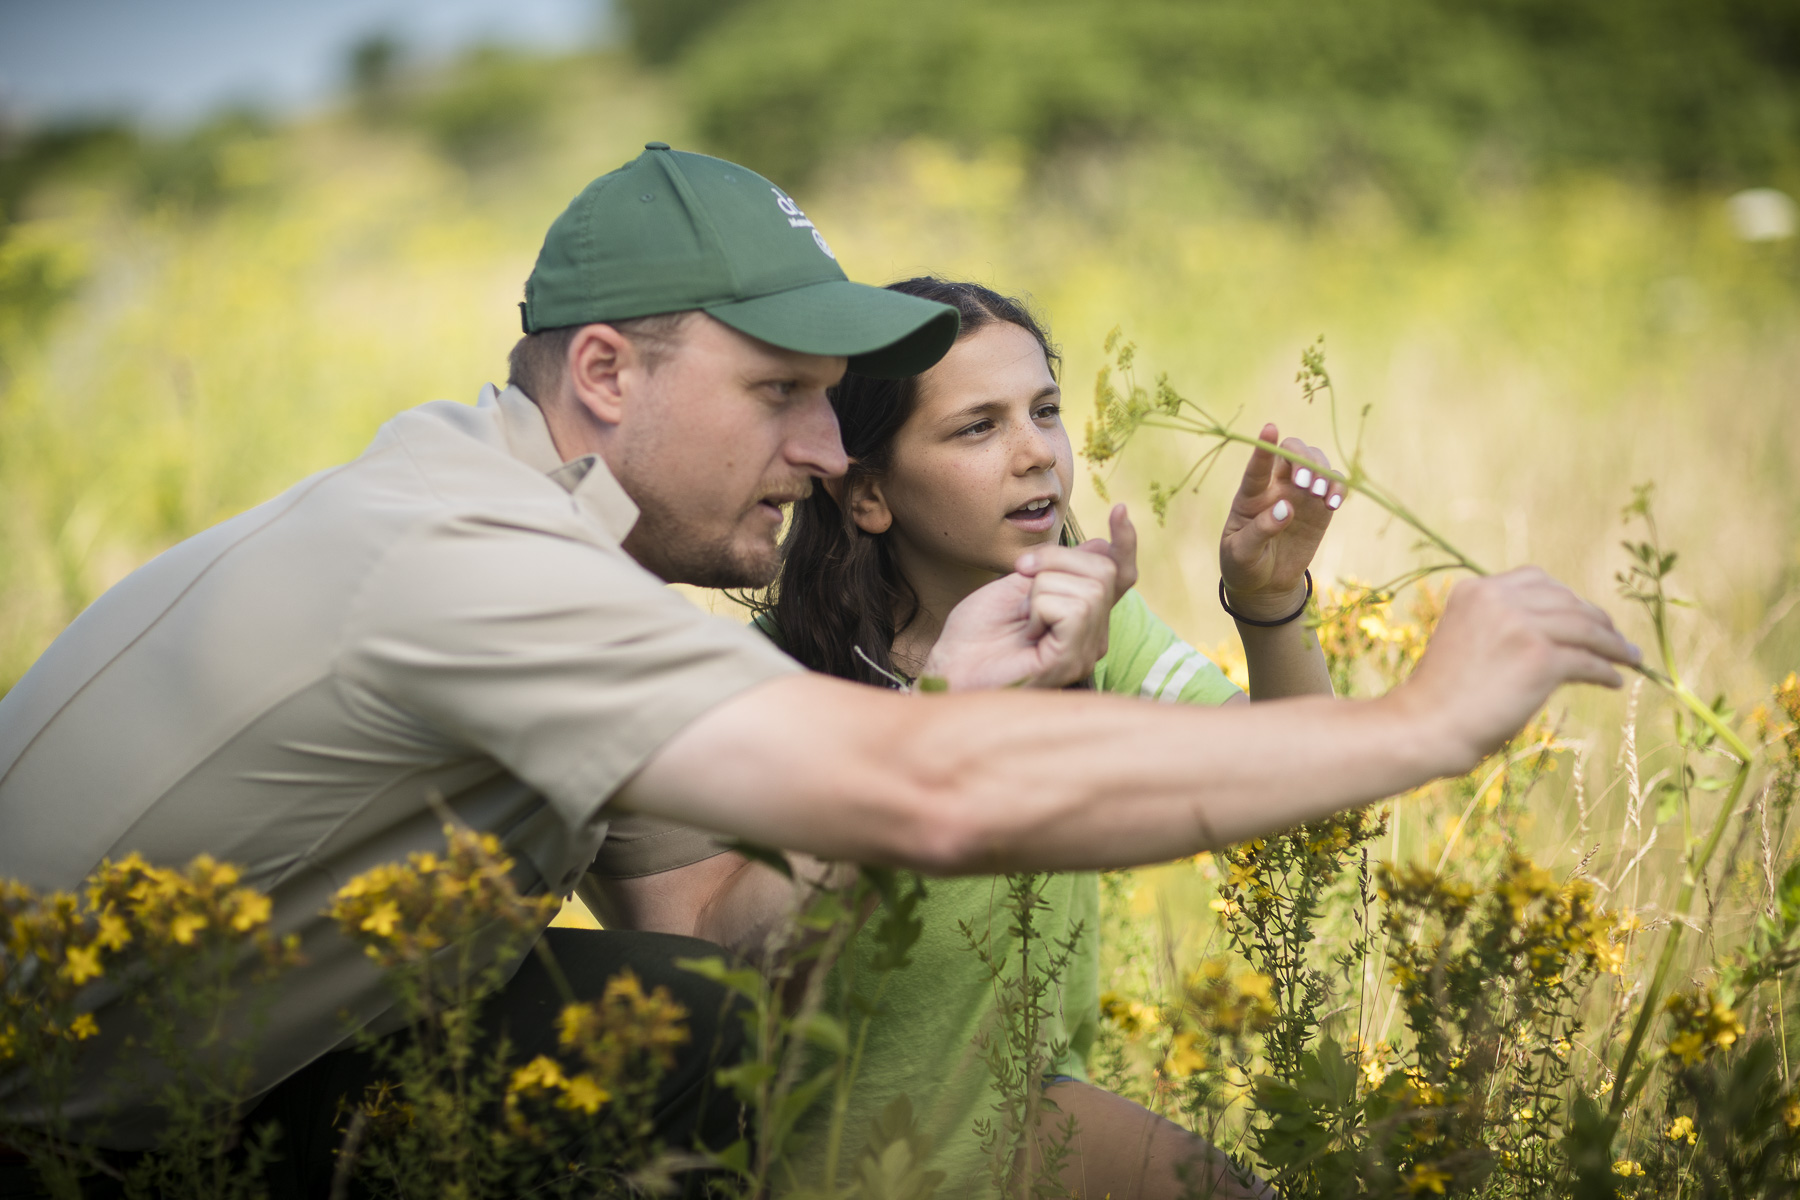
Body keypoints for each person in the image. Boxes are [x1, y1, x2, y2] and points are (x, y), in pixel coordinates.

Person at [0, 144, 1639, 1196]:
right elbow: (914, 804)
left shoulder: (539, 538)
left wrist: (958, 705)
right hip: (63, 1117)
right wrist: (1425, 718)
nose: (814, 444)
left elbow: (743, 938)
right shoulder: (478, 564)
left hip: (212, 1059)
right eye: (784, 391)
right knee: (705, 1069)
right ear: (603, 372)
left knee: (698, 1042)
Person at [584, 277, 1346, 1198]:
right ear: (868, 493)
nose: (1037, 455)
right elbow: (726, 954)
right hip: (807, 1163)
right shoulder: (761, 688)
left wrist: (1269, 604)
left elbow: (1300, 800)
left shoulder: (1085, 624)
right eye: (977, 427)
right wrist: (937, 717)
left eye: (1046, 410)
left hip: (1018, 1123)